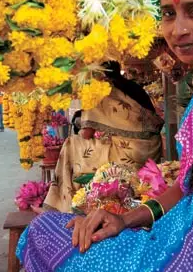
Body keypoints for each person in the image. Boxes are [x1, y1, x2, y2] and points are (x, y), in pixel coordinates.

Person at [20, 0, 193, 272]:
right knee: (51, 228)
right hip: (176, 234)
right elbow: (187, 187)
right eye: (169, 13)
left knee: (44, 232)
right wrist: (126, 219)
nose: (178, 29)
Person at [43, 64, 164, 212]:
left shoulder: (98, 91)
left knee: (72, 143)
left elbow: (86, 134)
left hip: (127, 155)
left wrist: (81, 122)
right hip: (152, 149)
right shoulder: (132, 86)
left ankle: (64, 204)